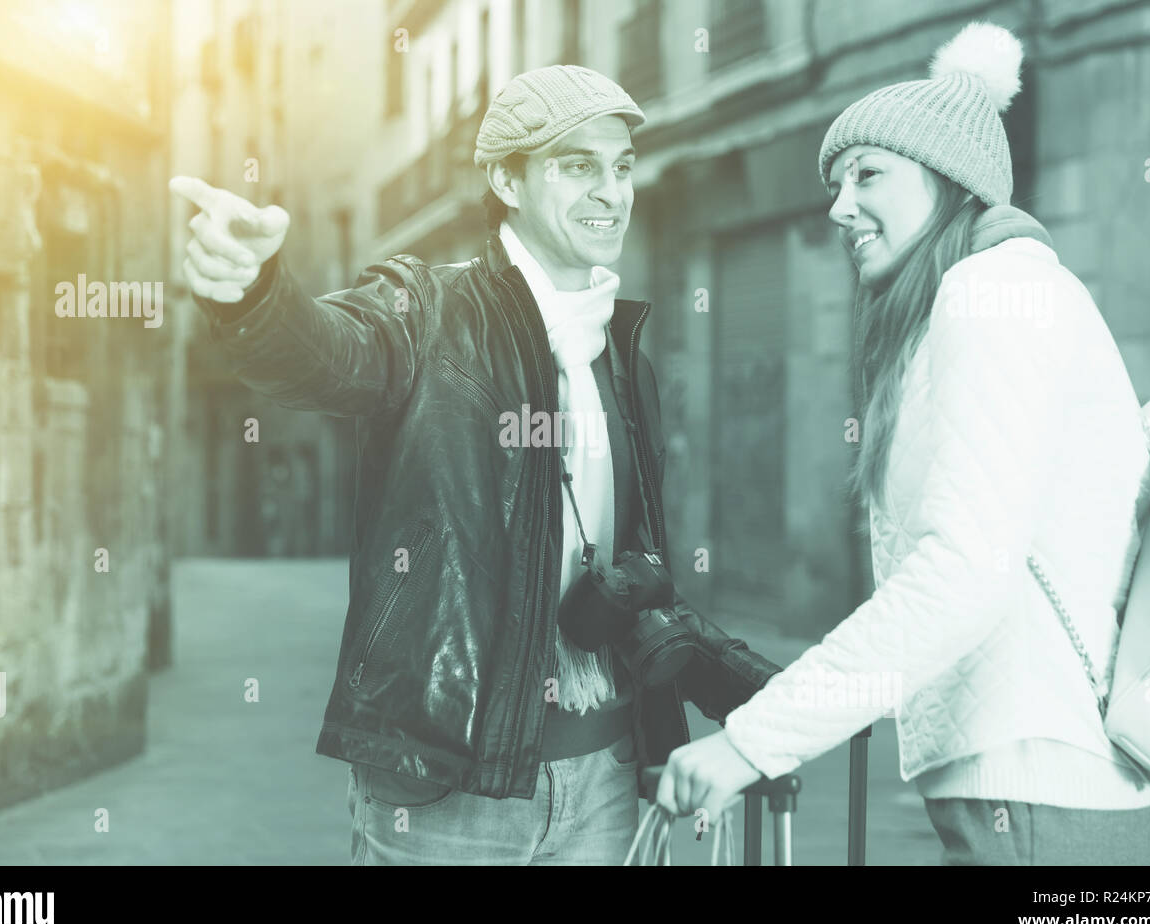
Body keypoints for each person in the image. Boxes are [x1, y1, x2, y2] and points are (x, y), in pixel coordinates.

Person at [171, 64, 778, 865]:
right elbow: (326, 354)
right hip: (450, 789)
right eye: (577, 166)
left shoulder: (619, 351)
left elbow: (629, 561)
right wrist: (253, 294)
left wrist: (764, 690)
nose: (611, 191)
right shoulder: (427, 309)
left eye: (621, 167)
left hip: (603, 774)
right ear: (506, 178)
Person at [657, 21, 1150, 865]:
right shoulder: (1001, 297)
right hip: (1048, 796)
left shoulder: (991, 298)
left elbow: (964, 570)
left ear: (951, 178)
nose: (838, 205)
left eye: (868, 174)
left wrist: (752, 741)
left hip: (1039, 805)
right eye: (836, 181)